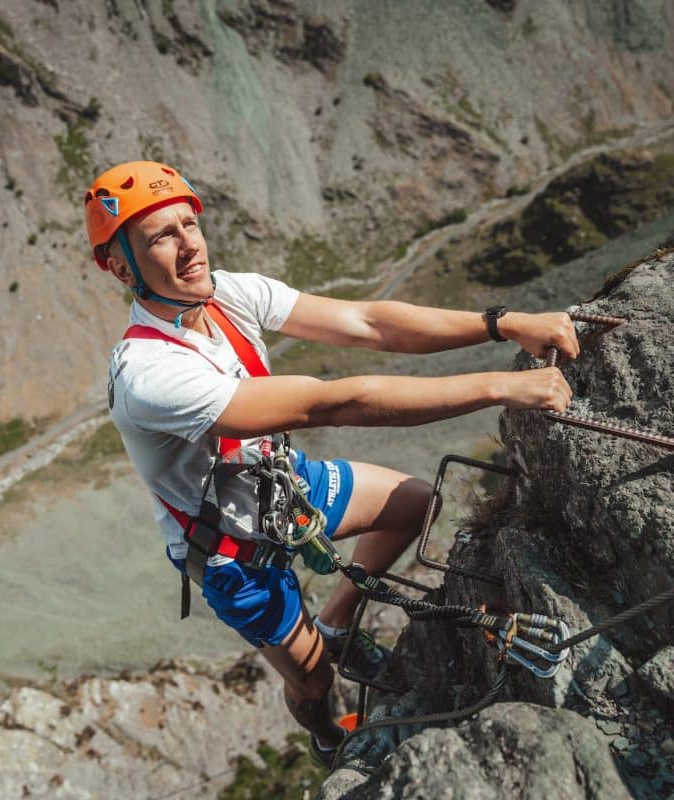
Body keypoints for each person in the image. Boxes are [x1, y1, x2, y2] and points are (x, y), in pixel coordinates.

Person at [84, 161, 577, 767]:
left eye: (190, 224)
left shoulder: (228, 295)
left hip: (286, 490)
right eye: (161, 236)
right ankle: (323, 734)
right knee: (314, 681)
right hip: (232, 555)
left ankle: (336, 623)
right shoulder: (147, 376)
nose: (190, 245)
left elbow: (367, 322)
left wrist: (501, 323)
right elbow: (333, 402)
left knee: (417, 504)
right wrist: (501, 386)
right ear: (118, 265)